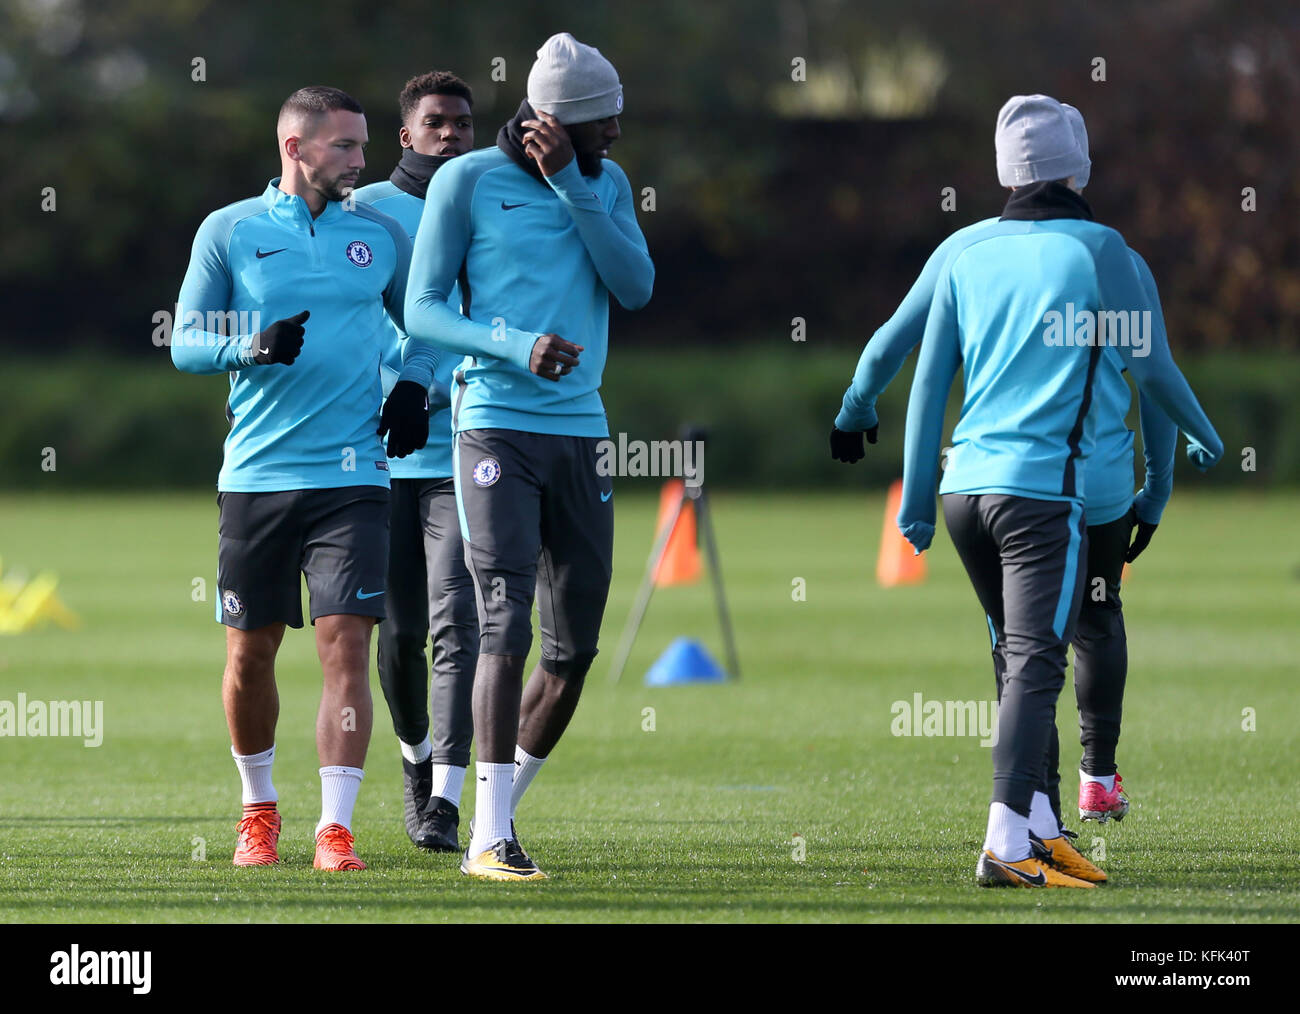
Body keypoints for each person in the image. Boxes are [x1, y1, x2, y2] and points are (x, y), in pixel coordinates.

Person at [831, 102, 1221, 858]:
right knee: (1075, 635)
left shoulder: (964, 253)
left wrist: (879, 452)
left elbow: (905, 365)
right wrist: (1169, 477)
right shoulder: (1110, 253)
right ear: (1078, 170)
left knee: (1017, 655)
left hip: (964, 489)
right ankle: (1032, 821)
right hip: (1070, 491)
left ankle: (1041, 822)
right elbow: (1154, 375)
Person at [402, 32, 653, 880]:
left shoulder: (605, 182)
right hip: (494, 425)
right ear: (558, 117)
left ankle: (494, 811)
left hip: (582, 431)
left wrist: (574, 186)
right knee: (502, 616)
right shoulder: (466, 182)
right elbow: (425, 309)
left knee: (574, 649)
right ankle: (489, 838)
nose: (617, 132)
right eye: (603, 120)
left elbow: (635, 285)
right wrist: (512, 344)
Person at [171, 85, 429, 871]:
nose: (362, 159)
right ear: (296, 147)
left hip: (355, 474)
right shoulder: (230, 231)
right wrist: (247, 347)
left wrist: (415, 384)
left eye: (362, 144)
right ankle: (259, 812)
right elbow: (183, 340)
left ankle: (336, 829)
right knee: (250, 654)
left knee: (346, 644)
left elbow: (427, 319)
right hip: (257, 475)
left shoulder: (378, 235)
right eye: (346, 146)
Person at [353, 71, 478, 853]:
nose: (451, 134)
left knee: (456, 625)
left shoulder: (494, 203)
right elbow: (349, 324)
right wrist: (400, 388)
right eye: (435, 122)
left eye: (463, 123)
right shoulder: (365, 212)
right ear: (406, 134)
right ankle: (414, 755)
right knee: (397, 637)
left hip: (470, 450)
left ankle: (446, 799)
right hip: (381, 456)